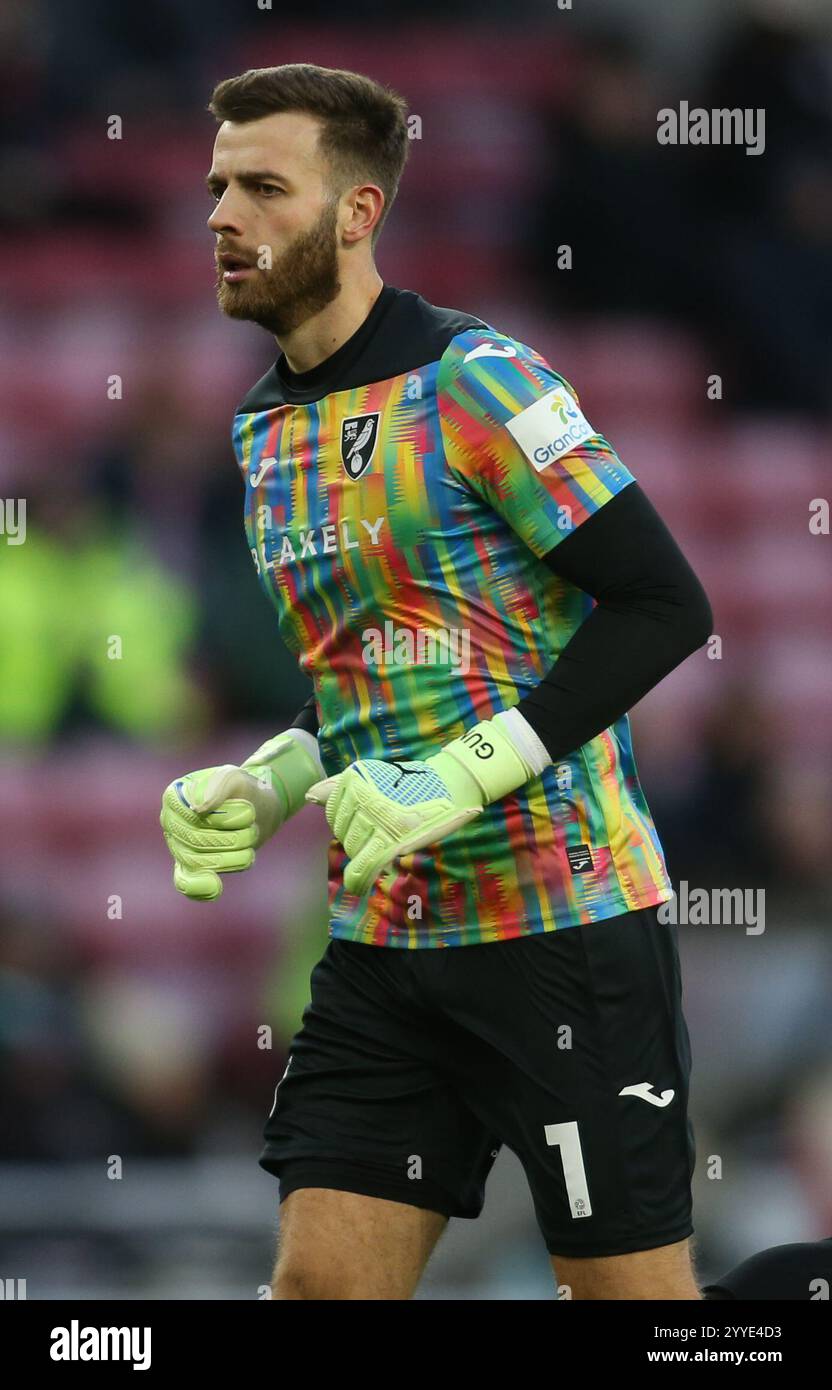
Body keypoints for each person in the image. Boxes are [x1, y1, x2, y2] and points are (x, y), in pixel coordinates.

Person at [159, 63, 712, 1300]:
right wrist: (273, 777)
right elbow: (360, 681)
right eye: (214, 188)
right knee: (319, 1291)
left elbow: (666, 604)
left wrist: (465, 775)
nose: (221, 216)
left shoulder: (480, 382)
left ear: (357, 214)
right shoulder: (262, 430)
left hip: (561, 930)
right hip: (387, 936)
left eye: (262, 187)